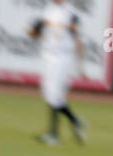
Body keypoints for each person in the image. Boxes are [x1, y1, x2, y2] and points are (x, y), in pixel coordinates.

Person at [29, 0, 86, 145]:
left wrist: (80, 66)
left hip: (63, 57)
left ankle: (53, 135)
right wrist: (34, 31)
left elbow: (77, 39)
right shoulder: (49, 10)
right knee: (50, 95)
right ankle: (75, 121)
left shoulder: (71, 14)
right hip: (48, 55)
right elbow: (36, 33)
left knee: (55, 96)